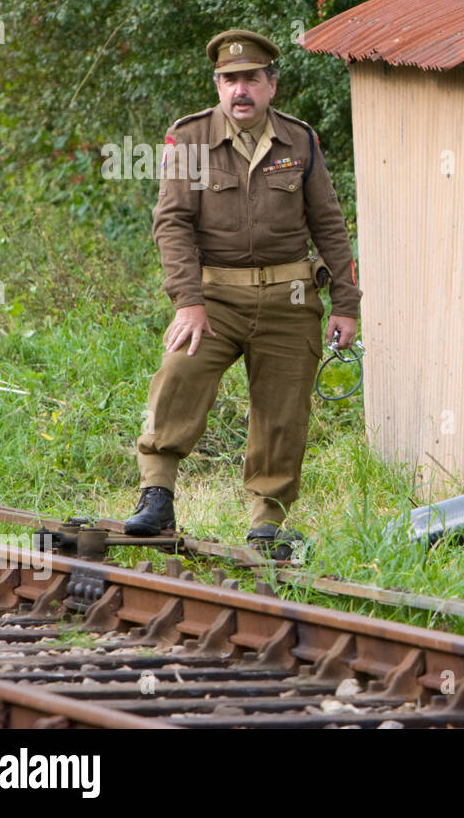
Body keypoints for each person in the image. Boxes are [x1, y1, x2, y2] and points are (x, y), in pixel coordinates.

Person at [125, 29, 361, 552]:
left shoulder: (300, 141)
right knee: (179, 375)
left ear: (271, 85)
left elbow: (329, 225)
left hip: (289, 300)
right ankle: (157, 496)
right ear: (217, 85)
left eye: (250, 79)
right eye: (229, 80)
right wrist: (188, 303)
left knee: (283, 413)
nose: (240, 91)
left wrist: (346, 304)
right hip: (213, 301)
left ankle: (266, 523)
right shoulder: (188, 139)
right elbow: (172, 224)